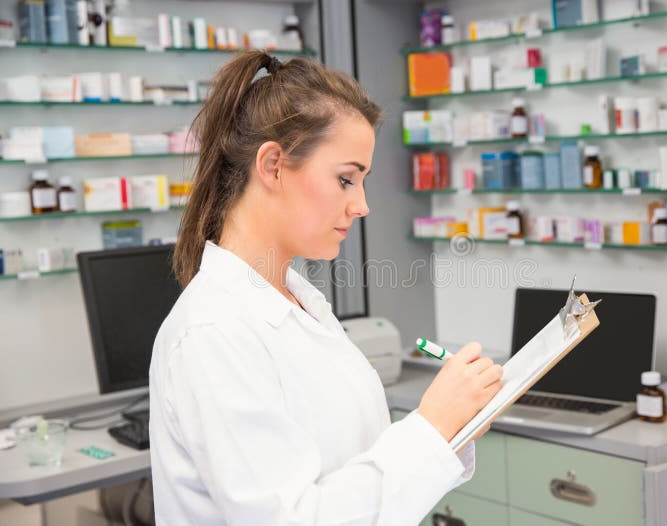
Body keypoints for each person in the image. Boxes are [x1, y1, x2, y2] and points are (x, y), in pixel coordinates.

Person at [149, 50, 504, 525]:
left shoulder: (300, 302)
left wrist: (450, 429)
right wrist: (430, 428)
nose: (362, 205)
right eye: (345, 179)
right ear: (273, 165)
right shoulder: (213, 333)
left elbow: (358, 467)